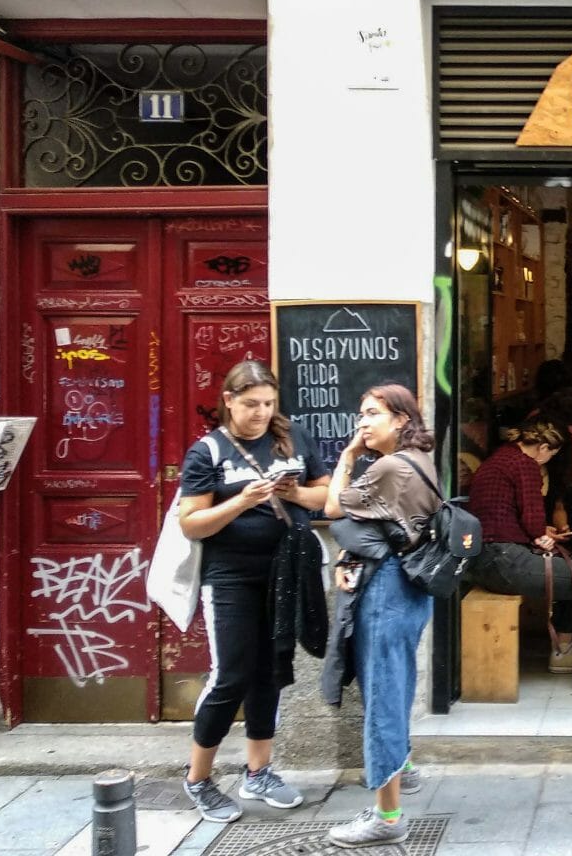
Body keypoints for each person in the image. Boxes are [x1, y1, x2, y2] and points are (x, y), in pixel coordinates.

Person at [177, 360, 330, 823]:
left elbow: (324, 495)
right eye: (250, 405)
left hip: (286, 575)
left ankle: (258, 771)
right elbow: (191, 523)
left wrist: (292, 494)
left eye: (267, 404)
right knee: (232, 675)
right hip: (231, 578)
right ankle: (198, 779)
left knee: (271, 671)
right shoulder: (208, 452)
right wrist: (242, 501)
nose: (261, 413)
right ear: (229, 401)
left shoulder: (294, 437)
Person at [321, 384, 438, 848]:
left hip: (387, 590)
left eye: (372, 414)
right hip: (411, 589)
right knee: (397, 680)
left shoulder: (389, 467)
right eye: (360, 414)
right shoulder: (419, 462)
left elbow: (332, 507)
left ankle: (388, 817)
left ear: (402, 420)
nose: (362, 423)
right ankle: (402, 766)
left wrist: (347, 458)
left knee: (382, 693)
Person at [468, 413, 572, 692]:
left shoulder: (499, 459)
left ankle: (564, 651)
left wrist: (540, 533)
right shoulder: (525, 465)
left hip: (486, 558)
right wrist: (541, 533)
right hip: (506, 560)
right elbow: (531, 516)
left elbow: (506, 516)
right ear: (542, 448)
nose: (548, 460)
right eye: (551, 454)